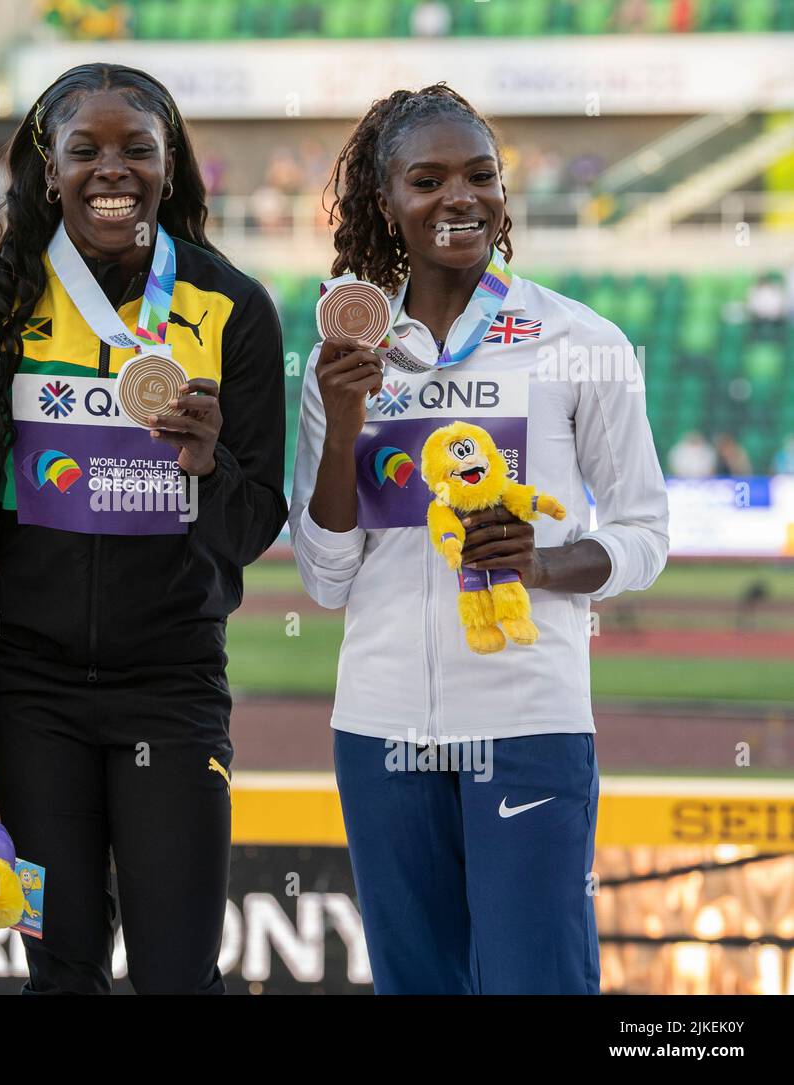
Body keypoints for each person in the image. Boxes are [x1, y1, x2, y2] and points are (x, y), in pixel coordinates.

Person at [290, 84, 668, 995]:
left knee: (538, 978)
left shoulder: (580, 340)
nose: (458, 198)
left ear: (504, 193)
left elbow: (645, 532)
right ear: (387, 203)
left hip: (528, 719)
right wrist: (344, 423)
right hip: (380, 726)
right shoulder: (348, 355)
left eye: (480, 176)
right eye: (427, 179)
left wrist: (543, 563)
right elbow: (326, 579)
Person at [0, 63, 287, 994]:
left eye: (137, 149)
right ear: (47, 169)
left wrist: (209, 465)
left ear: (170, 165)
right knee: (59, 975)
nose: (113, 170)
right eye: (84, 149)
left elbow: (256, 523)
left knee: (180, 973)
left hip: (173, 690)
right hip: (32, 697)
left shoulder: (235, 308)